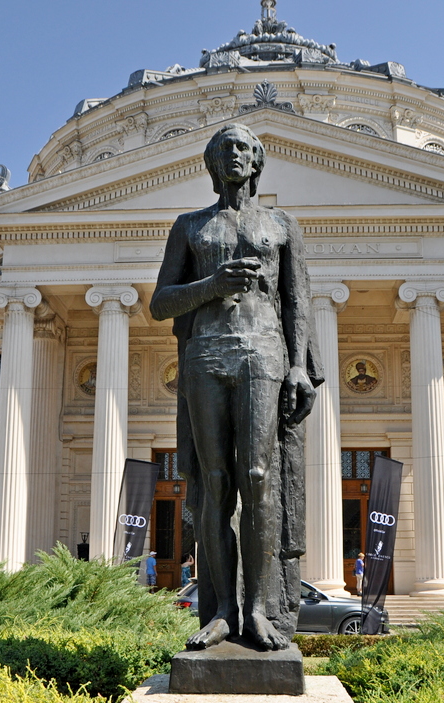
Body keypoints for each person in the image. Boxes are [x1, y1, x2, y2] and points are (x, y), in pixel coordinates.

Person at [150, 123, 319, 651]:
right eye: (224, 148)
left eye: (244, 147)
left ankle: (261, 608)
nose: (234, 154)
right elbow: (160, 304)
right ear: (211, 163)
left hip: (264, 352)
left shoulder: (281, 225)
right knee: (214, 480)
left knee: (259, 474)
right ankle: (223, 610)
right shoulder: (190, 227)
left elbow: (297, 301)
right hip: (207, 353)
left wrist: (299, 368)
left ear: (257, 162)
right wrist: (212, 286)